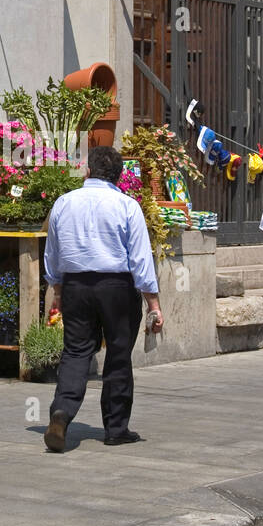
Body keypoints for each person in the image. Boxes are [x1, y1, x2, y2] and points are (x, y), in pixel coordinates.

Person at [42, 146, 162, 452]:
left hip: (76, 287)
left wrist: (56, 292)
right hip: (117, 287)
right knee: (118, 354)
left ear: (88, 171)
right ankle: (115, 428)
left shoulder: (63, 203)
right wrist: (153, 304)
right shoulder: (127, 206)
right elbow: (141, 260)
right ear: (119, 176)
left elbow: (52, 254)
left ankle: (62, 412)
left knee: (76, 351)